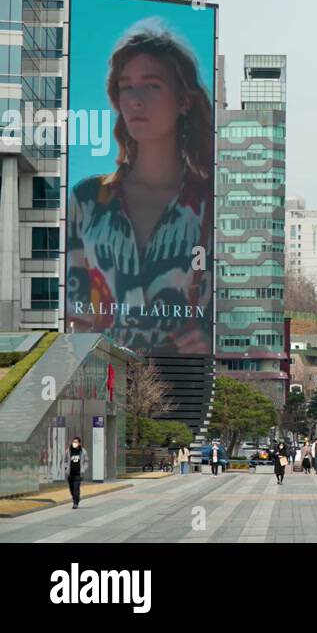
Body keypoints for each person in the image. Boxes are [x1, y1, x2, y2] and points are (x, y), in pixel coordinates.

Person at [65, 26, 214, 356]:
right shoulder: (87, 200)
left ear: (184, 101)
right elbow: (73, 312)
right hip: (103, 376)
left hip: (183, 379)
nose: (135, 99)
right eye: (125, 87)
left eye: (151, 85)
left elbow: (231, 310)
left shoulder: (211, 204)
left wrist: (209, 343)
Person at [63, 437, 89, 509]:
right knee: (71, 489)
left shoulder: (83, 451)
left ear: (79, 443)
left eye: (76, 442)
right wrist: (66, 468)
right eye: (73, 442)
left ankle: (75, 503)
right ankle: (76, 498)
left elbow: (86, 461)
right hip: (70, 473)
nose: (74, 443)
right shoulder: (68, 451)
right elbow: (65, 460)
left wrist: (83, 469)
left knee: (76, 488)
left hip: (78, 473)